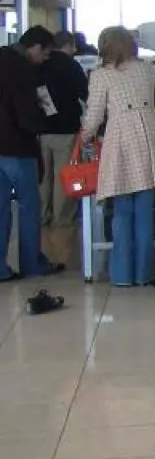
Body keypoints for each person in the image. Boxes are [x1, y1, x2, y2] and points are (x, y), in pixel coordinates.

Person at [81, 27, 155, 288]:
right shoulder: (147, 68)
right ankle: (143, 273)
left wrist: (85, 136)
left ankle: (123, 274)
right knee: (145, 209)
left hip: (121, 135)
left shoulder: (101, 75)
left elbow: (94, 115)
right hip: (150, 132)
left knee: (122, 209)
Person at [0, 27, 64, 281]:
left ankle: (1, 269)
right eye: (46, 53)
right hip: (18, 147)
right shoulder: (23, 69)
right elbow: (27, 113)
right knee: (29, 206)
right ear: (35, 47)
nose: (45, 59)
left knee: (1, 208)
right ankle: (31, 264)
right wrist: (44, 123)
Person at [37, 30, 89, 228]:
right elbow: (85, 94)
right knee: (64, 174)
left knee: (43, 175)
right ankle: (62, 217)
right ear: (70, 44)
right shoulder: (71, 65)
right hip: (66, 128)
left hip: (41, 128)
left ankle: (43, 214)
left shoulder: (41, 64)